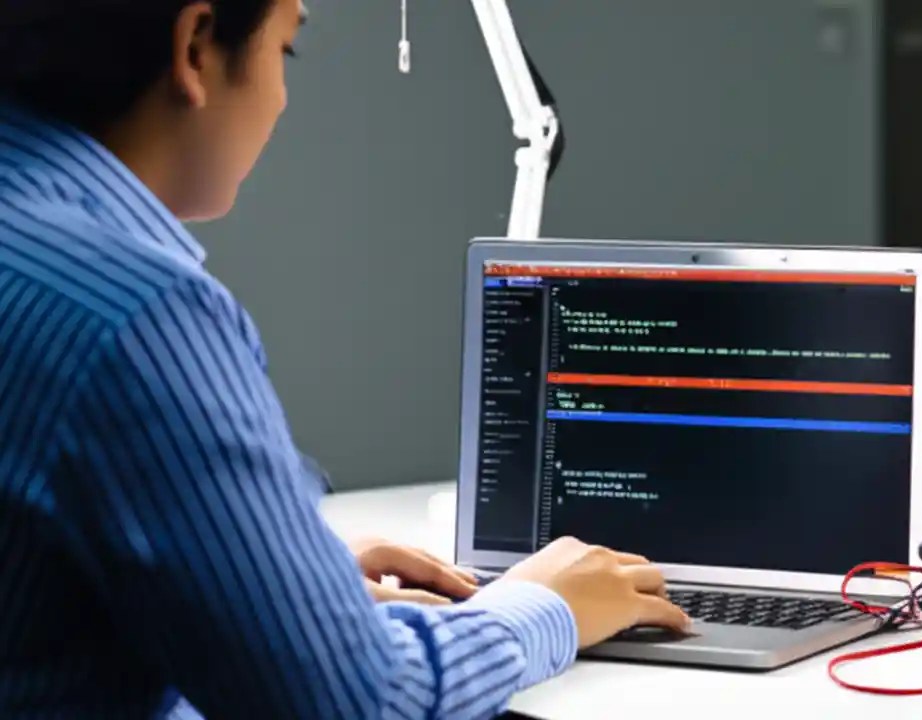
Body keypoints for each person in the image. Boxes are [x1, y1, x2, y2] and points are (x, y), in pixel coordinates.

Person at [0, 1, 690, 718]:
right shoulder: (136, 315)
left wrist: (270, 583)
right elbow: (358, 702)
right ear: (196, 47)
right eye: (286, 51)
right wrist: (544, 607)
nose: (282, 96)